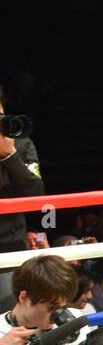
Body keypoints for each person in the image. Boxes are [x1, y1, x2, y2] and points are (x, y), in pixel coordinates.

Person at [0, 85, 44, 308]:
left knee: (10, 315)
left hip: (10, 248)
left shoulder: (22, 144)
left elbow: (36, 195)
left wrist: (10, 156)